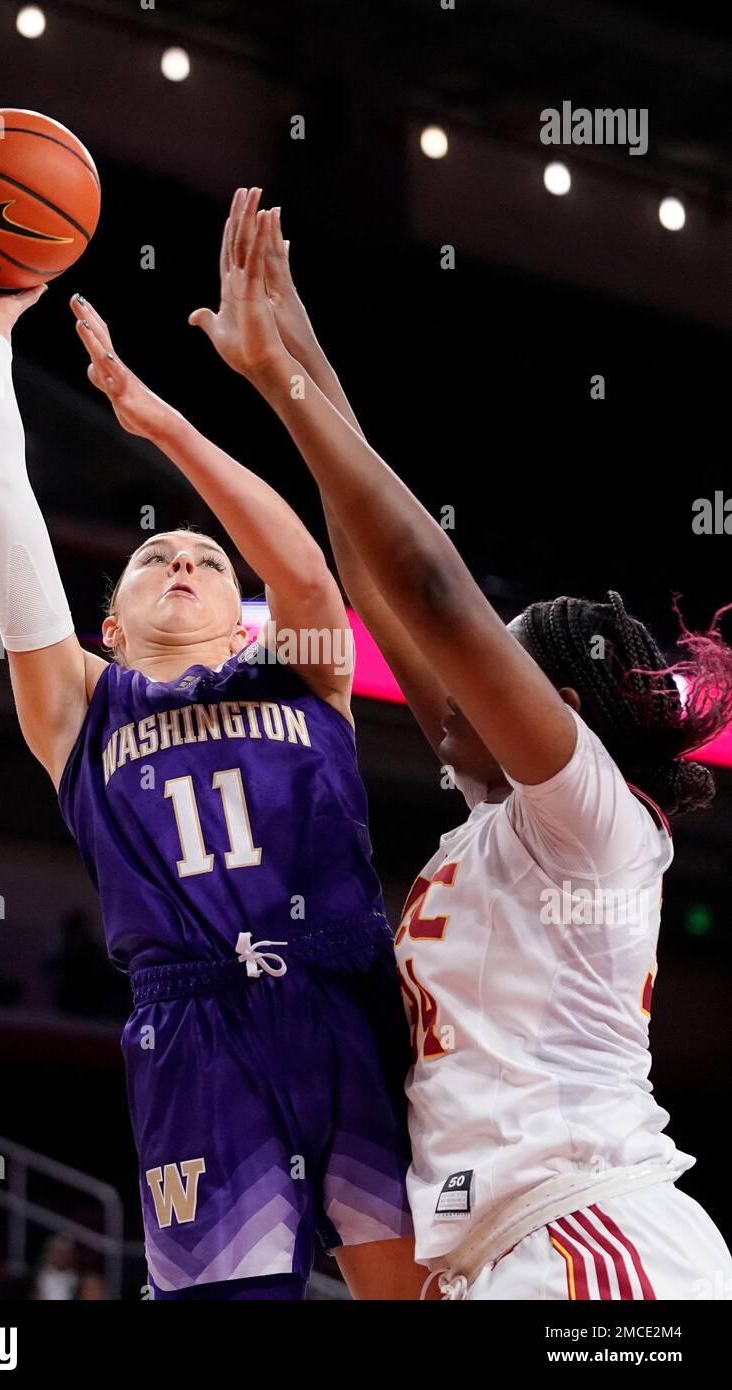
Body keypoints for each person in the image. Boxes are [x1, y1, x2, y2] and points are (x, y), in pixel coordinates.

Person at [190, 189, 732, 1300]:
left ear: (561, 716)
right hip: (496, 1261)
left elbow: (433, 587)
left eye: (499, 662)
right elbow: (376, 571)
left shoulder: (591, 819)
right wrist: (291, 338)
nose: (457, 682)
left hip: (594, 1242)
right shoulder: (499, 822)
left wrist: (279, 385)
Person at [0, 224, 423, 1301]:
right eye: (157, 557)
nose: (185, 561)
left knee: (418, 1295)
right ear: (109, 623)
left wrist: (160, 423)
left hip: (346, 995)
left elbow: (301, 566)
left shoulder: (301, 674)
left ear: (240, 624)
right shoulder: (80, 709)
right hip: (194, 1030)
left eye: (203, 558)